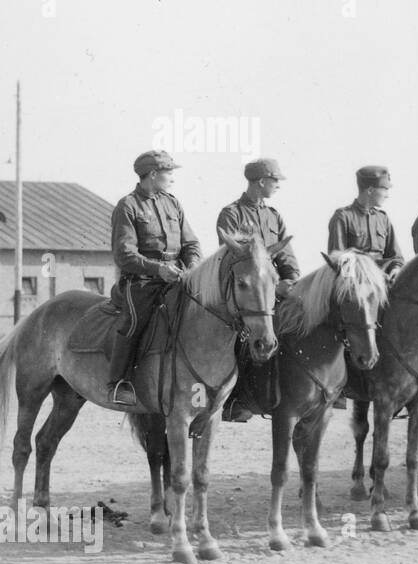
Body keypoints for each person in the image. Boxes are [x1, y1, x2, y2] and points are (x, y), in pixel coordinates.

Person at [107, 150, 202, 405]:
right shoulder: (127, 206)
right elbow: (124, 254)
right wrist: (158, 269)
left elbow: (191, 243)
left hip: (178, 276)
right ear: (152, 174)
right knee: (134, 322)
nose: (172, 178)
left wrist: (192, 266)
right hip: (142, 282)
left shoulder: (172, 203)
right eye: (168, 173)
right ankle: (118, 382)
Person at [216, 159, 299, 299]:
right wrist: (273, 287)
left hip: (276, 288)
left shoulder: (273, 216)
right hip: (248, 295)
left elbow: (286, 256)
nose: (278, 185)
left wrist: (292, 281)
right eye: (275, 180)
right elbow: (233, 262)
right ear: (261, 182)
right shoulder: (232, 214)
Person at [327, 166, 405, 282]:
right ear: (370, 190)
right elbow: (338, 257)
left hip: (383, 280)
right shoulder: (343, 217)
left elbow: (395, 256)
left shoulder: (383, 219)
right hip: (355, 283)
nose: (387, 195)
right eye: (384, 189)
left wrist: (396, 268)